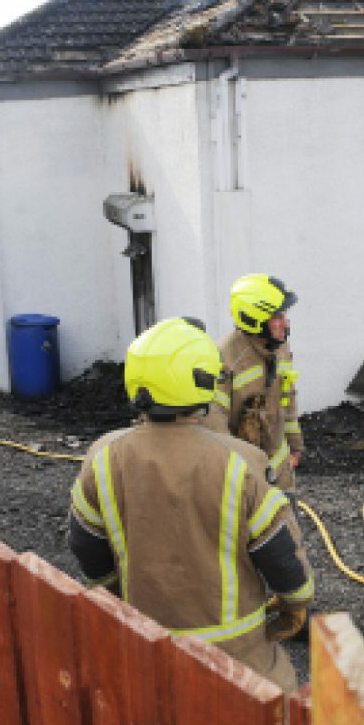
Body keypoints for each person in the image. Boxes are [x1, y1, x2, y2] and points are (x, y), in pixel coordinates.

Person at [67, 317, 315, 691]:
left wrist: (114, 595)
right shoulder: (241, 462)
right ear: (203, 382)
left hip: (144, 644)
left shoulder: (103, 456)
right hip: (237, 653)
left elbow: (85, 543)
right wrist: (297, 603)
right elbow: (280, 554)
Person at [204, 274, 303, 496]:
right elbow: (215, 425)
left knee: (289, 526)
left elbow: (288, 398)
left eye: (285, 315)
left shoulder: (280, 348)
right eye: (277, 317)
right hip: (243, 477)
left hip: (281, 472)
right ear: (253, 319)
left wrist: (295, 445)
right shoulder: (223, 359)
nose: (285, 323)